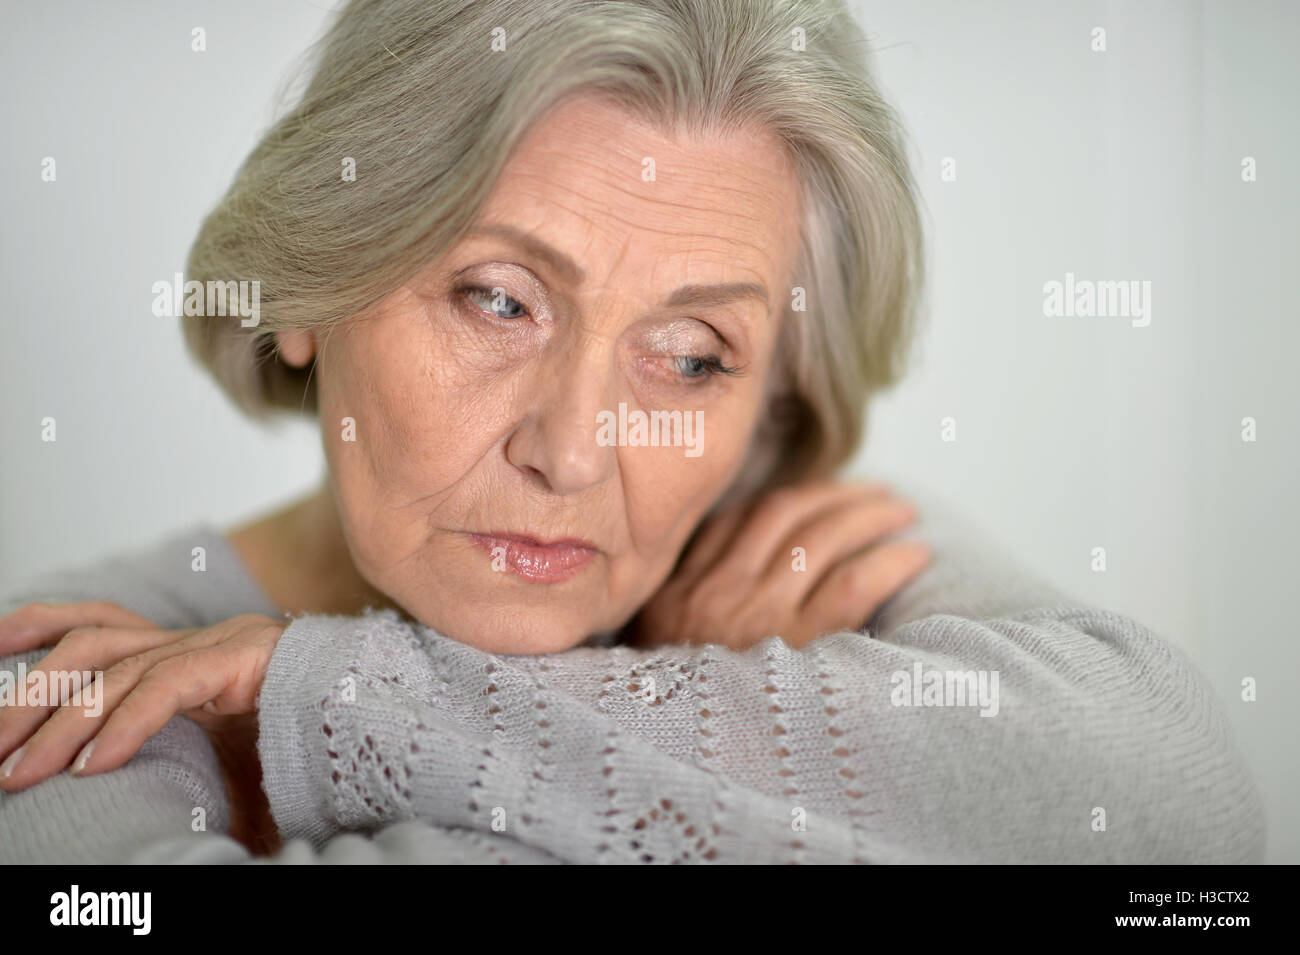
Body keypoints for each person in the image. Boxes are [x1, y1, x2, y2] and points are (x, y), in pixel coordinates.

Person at [0, 0, 1265, 863]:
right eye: (498, 298)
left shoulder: (795, 552)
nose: (573, 450)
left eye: (690, 357)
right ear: (311, 293)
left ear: (768, 398)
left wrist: (327, 700)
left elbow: (1183, 808)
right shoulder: (65, 673)